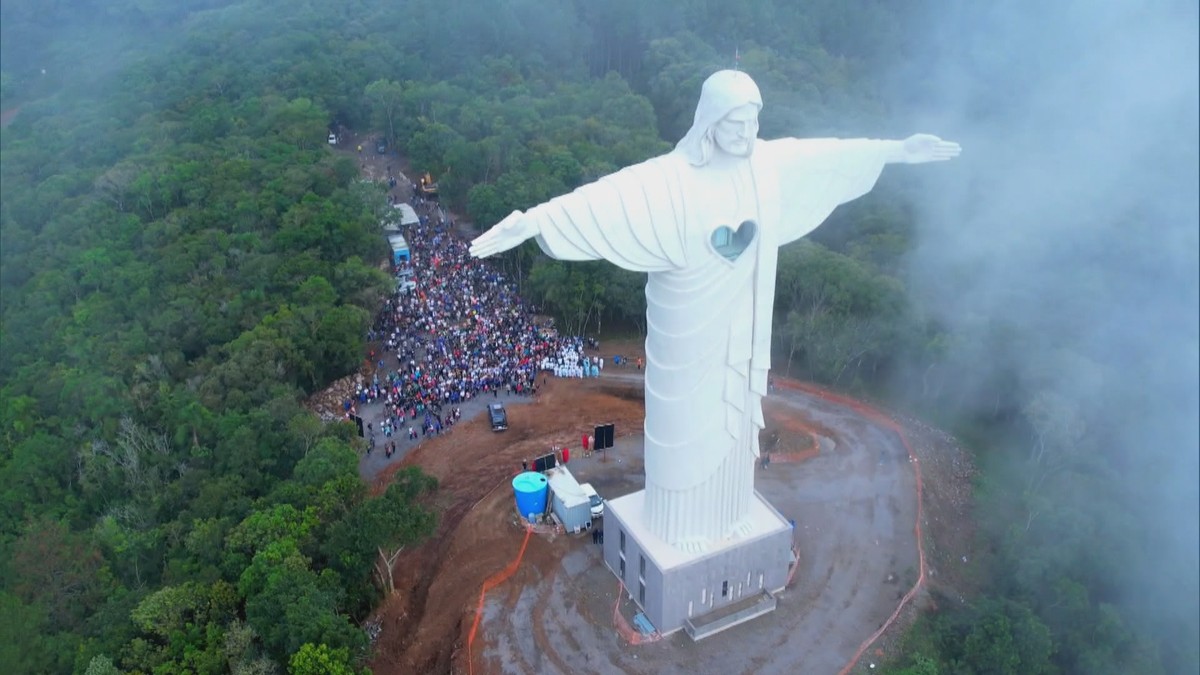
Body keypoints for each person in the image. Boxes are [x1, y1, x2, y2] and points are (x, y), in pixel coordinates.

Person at [470, 69, 960, 551]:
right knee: (683, 430)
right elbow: (606, 200)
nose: (746, 134)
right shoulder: (672, 179)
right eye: (734, 124)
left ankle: (729, 515)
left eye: (752, 123)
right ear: (708, 122)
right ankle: (679, 526)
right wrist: (533, 222)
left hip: (741, 329)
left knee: (734, 421)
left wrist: (897, 151)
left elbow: (827, 154)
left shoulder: (766, 168)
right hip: (685, 329)